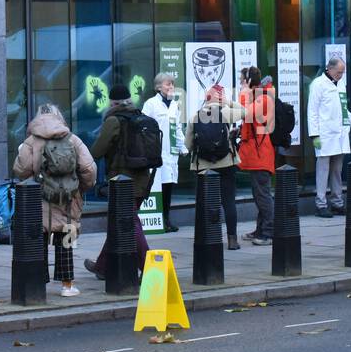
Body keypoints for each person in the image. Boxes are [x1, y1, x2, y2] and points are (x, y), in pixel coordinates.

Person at [12, 104, 97, 297]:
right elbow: (89, 169)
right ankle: (67, 285)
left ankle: (37, 283)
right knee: (66, 241)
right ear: (59, 117)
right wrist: (80, 188)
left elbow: (21, 170)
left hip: (40, 199)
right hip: (67, 199)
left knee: (38, 240)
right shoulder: (73, 139)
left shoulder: (31, 141)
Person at [86, 84, 152, 280]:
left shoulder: (114, 120)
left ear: (112, 102)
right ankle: (103, 267)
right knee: (121, 221)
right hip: (142, 178)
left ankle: (150, 267)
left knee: (129, 223)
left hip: (122, 182)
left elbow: (97, 150)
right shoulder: (140, 116)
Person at [186, 83, 247, 250]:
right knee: (228, 201)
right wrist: (228, 102)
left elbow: (188, 144)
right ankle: (232, 240)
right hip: (226, 163)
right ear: (219, 97)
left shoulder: (195, 116)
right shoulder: (225, 112)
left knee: (203, 202)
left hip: (203, 166)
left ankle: (205, 236)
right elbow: (245, 112)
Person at [306, 57, 351, 218]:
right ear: (329, 69)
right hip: (324, 134)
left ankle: (337, 202)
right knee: (323, 169)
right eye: (339, 72)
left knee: (337, 170)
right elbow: (312, 111)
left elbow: (343, 108)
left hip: (340, 134)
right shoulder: (318, 85)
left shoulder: (340, 84)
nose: (341, 75)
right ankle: (321, 204)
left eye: (343, 72)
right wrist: (314, 134)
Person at [239, 69, 277, 246]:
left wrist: (244, 93)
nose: (240, 83)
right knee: (259, 194)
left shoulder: (264, 97)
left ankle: (268, 232)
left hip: (261, 154)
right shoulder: (260, 95)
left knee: (263, 195)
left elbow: (245, 112)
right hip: (257, 153)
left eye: (242, 80)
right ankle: (261, 229)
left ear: (248, 81)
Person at [141, 72, 183, 232]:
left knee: (169, 186)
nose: (171, 86)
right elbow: (143, 126)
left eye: (172, 84)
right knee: (156, 185)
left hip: (171, 152)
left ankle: (166, 219)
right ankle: (159, 220)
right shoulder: (151, 104)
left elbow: (177, 126)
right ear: (158, 87)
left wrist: (182, 147)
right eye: (168, 84)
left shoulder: (174, 105)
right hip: (156, 151)